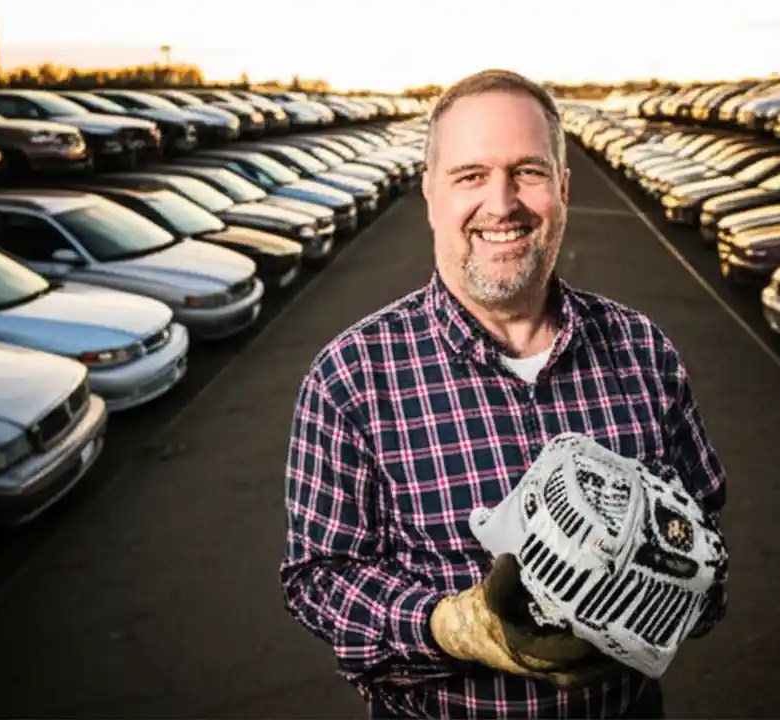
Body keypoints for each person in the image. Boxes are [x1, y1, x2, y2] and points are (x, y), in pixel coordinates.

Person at [281, 68, 728, 719]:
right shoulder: (350, 377)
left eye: (528, 172)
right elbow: (320, 580)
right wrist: (452, 625)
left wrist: (667, 591)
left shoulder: (642, 350)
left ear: (564, 189)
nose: (502, 203)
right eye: (470, 175)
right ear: (430, 194)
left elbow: (706, 527)